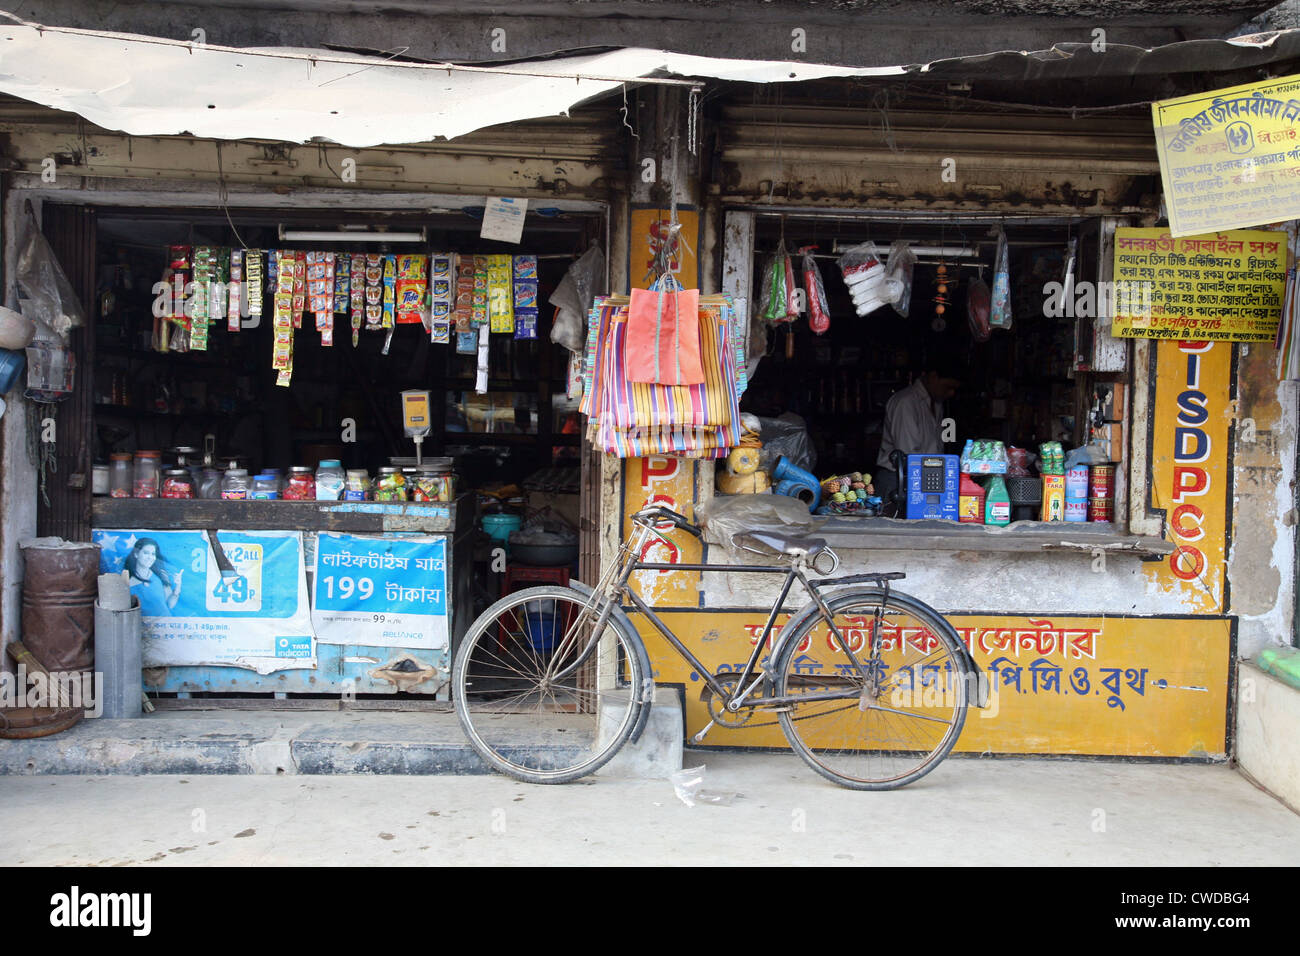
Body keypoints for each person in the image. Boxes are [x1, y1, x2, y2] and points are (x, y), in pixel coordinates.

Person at [874, 362, 961, 511]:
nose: (951, 393)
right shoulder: (905, 402)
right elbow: (908, 454)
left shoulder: (937, 404)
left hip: (927, 478)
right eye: (948, 387)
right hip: (898, 481)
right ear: (933, 377)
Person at [124, 538, 182, 616]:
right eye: (146, 553)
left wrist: (178, 586)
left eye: (153, 554)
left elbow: (170, 605)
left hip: (165, 625)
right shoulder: (127, 581)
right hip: (143, 627)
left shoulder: (160, 576)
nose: (150, 557)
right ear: (136, 554)